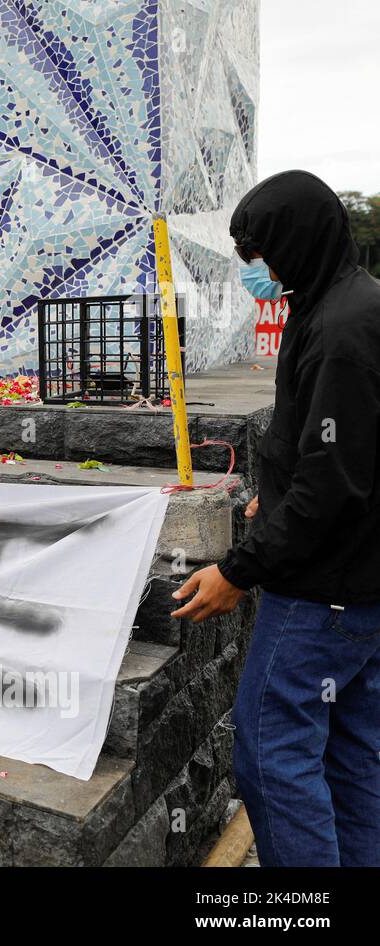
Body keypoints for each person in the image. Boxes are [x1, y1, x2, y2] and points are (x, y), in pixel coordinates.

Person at [171, 170, 380, 866]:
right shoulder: (336, 303)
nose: (255, 273)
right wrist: (278, 485)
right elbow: (341, 447)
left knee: (272, 755)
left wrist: (239, 569)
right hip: (359, 587)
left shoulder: (343, 330)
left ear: (297, 239)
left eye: (259, 255)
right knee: (350, 755)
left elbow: (333, 483)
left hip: (324, 593)